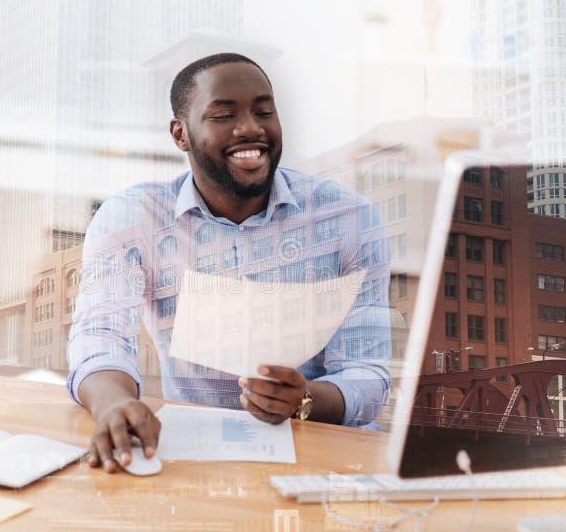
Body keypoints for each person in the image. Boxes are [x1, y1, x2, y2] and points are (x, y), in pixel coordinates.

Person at [67, 53, 391, 473]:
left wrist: (304, 399)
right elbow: (101, 335)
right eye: (223, 115)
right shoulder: (134, 218)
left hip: (323, 458)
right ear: (180, 134)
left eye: (264, 111)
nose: (251, 128)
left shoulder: (349, 219)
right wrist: (115, 403)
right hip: (197, 461)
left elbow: (368, 373)